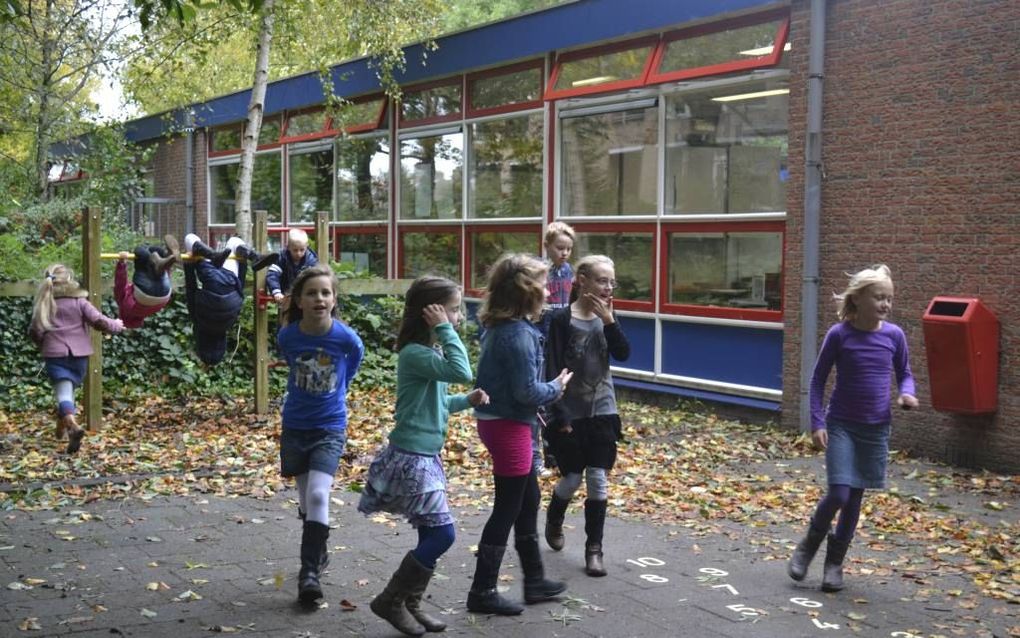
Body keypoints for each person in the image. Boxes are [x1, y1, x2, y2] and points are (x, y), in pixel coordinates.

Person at [358, 276, 489, 636]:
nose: (459, 316)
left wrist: (467, 401)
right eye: (452, 309)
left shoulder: (427, 355)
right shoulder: (416, 354)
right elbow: (462, 371)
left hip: (424, 456)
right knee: (443, 535)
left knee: (430, 533)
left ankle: (409, 603)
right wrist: (446, 331)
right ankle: (390, 600)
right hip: (412, 459)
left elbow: (439, 402)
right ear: (431, 313)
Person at [788, 264, 918, 592]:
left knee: (855, 497)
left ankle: (834, 565)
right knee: (839, 492)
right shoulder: (839, 334)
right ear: (858, 299)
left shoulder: (894, 335)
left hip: (875, 429)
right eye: (879, 297)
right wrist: (817, 421)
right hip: (841, 424)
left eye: (889, 298)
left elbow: (904, 371)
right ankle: (807, 547)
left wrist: (907, 392)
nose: (885, 304)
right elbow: (818, 381)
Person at [467, 253, 573, 616]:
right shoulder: (518, 336)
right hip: (509, 427)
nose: (548, 289)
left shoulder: (506, 327)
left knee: (527, 501)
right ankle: (482, 592)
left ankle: (534, 581)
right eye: (542, 283)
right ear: (526, 292)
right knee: (507, 509)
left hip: (506, 423)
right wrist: (556, 387)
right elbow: (527, 392)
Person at [277, 264, 364, 605]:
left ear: (334, 299)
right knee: (305, 499)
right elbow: (291, 362)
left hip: (330, 426)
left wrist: (341, 387)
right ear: (299, 300)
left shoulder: (344, 337)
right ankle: (319, 548)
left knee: (317, 496)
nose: (319, 298)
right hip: (296, 426)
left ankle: (308, 573)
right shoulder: (289, 336)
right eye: (311, 293)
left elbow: (355, 360)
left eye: (325, 292)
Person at [543, 255, 630, 577]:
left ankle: (594, 549)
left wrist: (609, 321)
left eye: (611, 282)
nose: (608, 287)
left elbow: (622, 354)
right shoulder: (561, 319)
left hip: (603, 409)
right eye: (602, 280)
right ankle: (555, 517)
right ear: (582, 280)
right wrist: (559, 413)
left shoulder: (609, 316)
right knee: (571, 478)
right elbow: (552, 366)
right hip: (570, 411)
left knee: (597, 478)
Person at [28, 264, 124, 454]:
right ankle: (62, 428)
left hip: (55, 355)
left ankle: (71, 424)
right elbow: (98, 321)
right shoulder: (80, 302)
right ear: (70, 281)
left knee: (64, 394)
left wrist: (42, 344)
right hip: (79, 356)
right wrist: (116, 325)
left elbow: (35, 331)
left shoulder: (45, 304)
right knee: (68, 393)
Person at [181, 233, 270, 365]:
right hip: (210, 276)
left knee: (234, 241)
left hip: (230, 278)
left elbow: (239, 295)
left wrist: (243, 263)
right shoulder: (198, 320)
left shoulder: (229, 323)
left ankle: (253, 256)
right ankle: (212, 254)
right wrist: (189, 264)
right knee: (189, 238)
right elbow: (191, 288)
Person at [538, 221, 575, 471]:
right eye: (559, 247)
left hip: (565, 339)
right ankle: (546, 450)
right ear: (547, 246)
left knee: (563, 391)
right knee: (545, 392)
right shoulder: (542, 273)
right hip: (544, 338)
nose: (564, 253)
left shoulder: (573, 274)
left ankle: (565, 447)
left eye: (568, 249)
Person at [113, 235, 180, 329]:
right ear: (122, 316)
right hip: (143, 294)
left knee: (155, 251)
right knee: (141, 254)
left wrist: (167, 270)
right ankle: (163, 259)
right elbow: (120, 284)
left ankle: (166, 256)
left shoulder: (148, 312)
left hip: (164, 296)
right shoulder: (124, 306)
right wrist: (121, 263)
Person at [266, 228, 318, 319]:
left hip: (304, 299)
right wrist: (276, 291)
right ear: (288, 246)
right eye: (295, 250)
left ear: (307, 246)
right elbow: (273, 275)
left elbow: (315, 280)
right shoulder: (281, 259)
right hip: (285, 297)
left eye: (302, 250)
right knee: (285, 321)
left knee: (305, 322)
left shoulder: (311, 261)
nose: (298, 253)